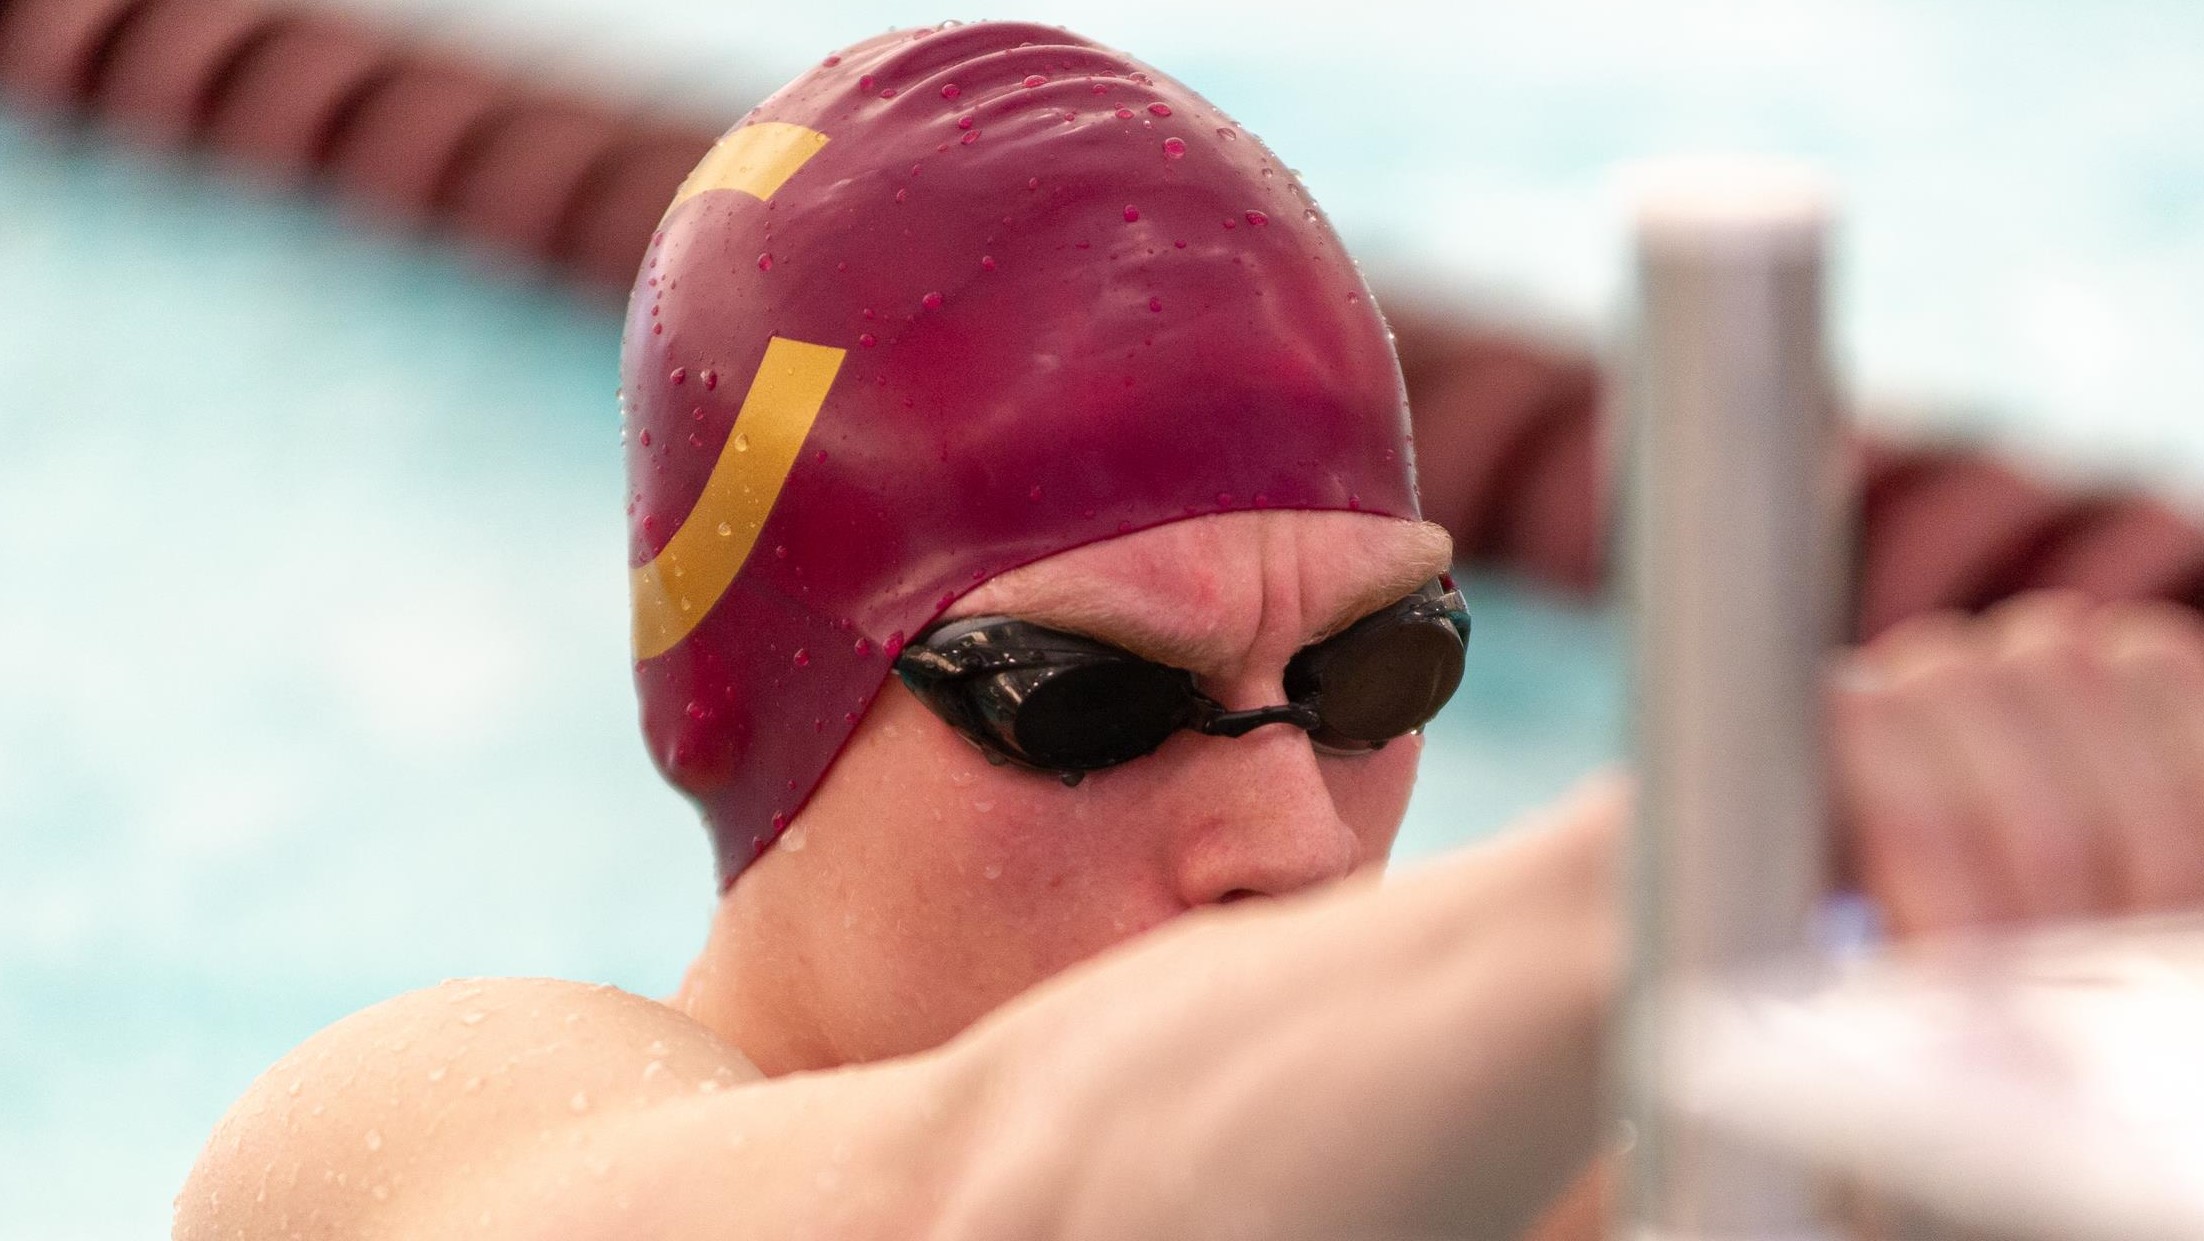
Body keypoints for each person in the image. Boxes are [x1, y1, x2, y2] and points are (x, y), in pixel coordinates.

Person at [177, 21, 2204, 1240]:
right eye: (1083, 703)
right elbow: (978, 1212)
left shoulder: (1527, 1159)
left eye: (1371, 677)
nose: (1296, 839)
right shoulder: (424, 1148)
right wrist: (1657, 889)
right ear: (748, 698)